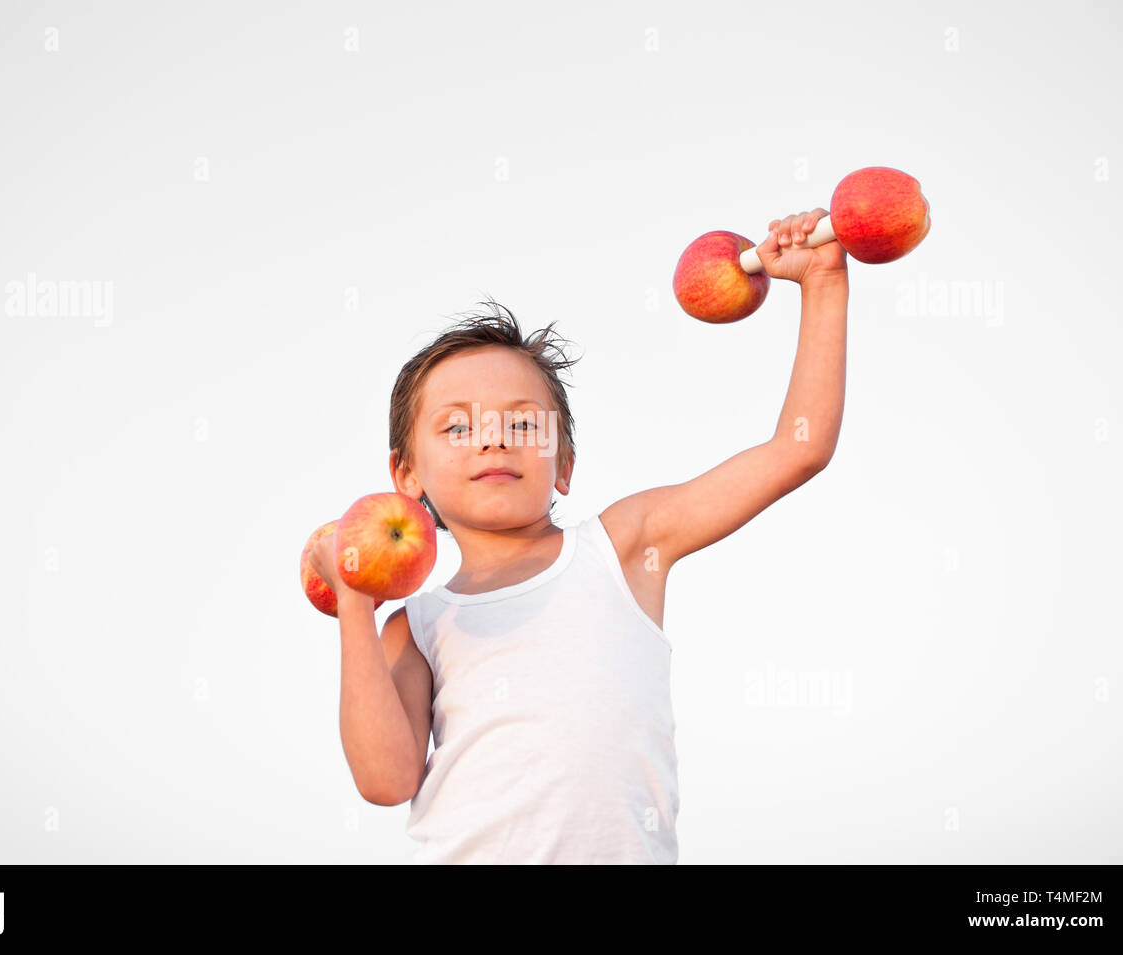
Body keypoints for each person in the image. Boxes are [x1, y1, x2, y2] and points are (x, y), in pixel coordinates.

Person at [309, 209, 848, 863]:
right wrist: (356, 596)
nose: (492, 436)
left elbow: (800, 449)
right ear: (406, 474)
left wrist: (822, 282)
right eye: (456, 427)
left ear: (564, 463)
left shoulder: (623, 546)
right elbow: (385, 779)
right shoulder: (419, 623)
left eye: (523, 421)